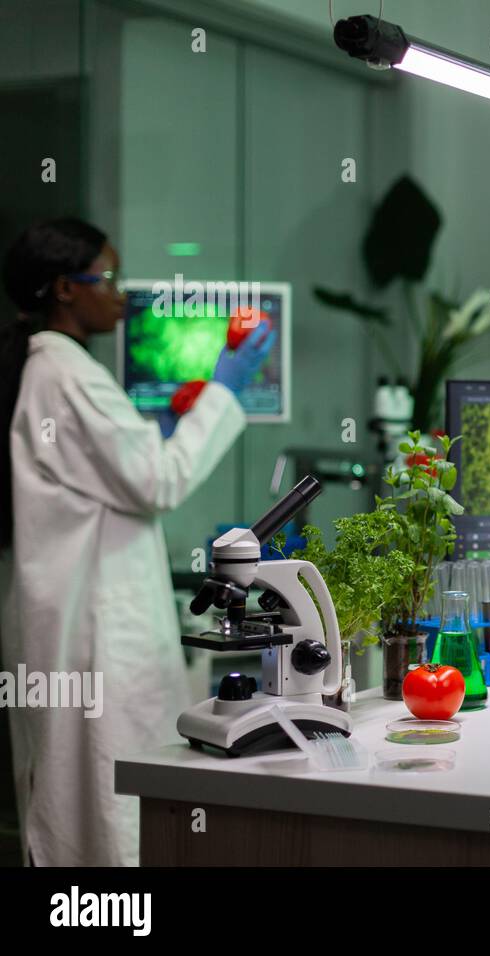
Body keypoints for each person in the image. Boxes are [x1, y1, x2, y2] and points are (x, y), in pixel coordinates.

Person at [0, 218, 275, 866]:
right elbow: (158, 481)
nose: (122, 295)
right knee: (113, 800)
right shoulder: (67, 374)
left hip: (74, 620)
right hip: (98, 629)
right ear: (66, 289)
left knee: (84, 793)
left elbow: (110, 472)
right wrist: (225, 388)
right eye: (110, 278)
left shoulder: (50, 370)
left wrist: (173, 419)